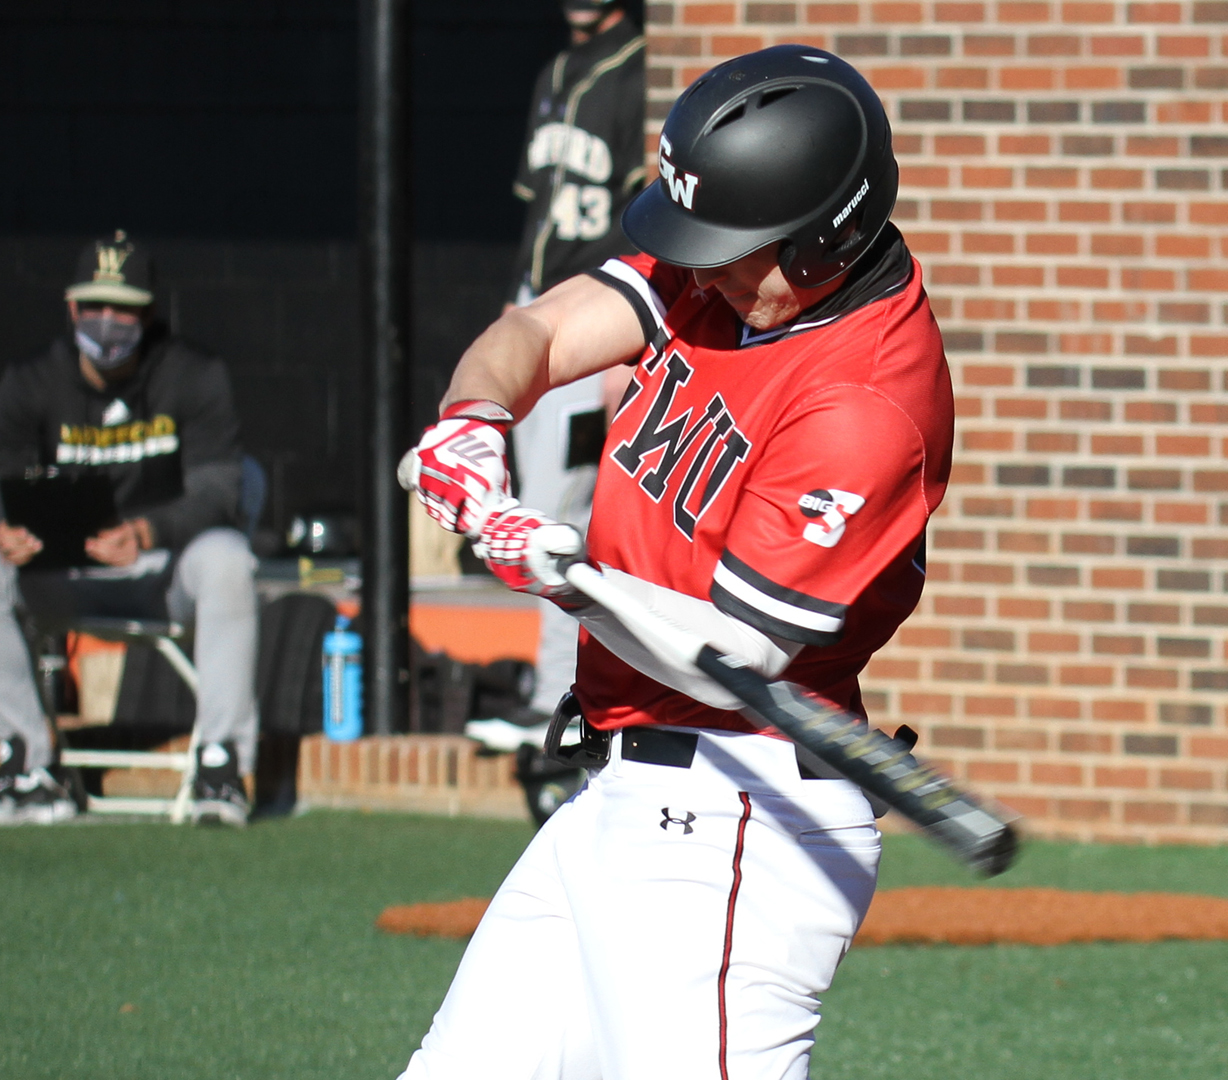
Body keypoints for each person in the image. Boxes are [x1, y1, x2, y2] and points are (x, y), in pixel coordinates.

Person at [399, 46, 948, 1080]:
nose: (700, 269)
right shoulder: (730, 274)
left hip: (739, 823)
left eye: (732, 250)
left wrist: (557, 572)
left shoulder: (866, 406)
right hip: (617, 791)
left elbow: (729, 651)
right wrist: (473, 425)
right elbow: (540, 330)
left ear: (826, 240)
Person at [0, 231, 259, 827]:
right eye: (95, 306)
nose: (109, 323)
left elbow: (222, 490)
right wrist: (1, 526)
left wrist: (146, 531)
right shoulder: (30, 381)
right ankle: (27, 765)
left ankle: (221, 767)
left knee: (228, 559)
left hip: (160, 570)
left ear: (148, 312)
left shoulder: (195, 375)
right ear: (71, 309)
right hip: (58, 569)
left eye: (123, 308)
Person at [505, 0, 647, 720]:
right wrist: (516, 307)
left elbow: (638, 217)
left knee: (565, 514)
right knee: (537, 504)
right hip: (542, 307)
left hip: (596, 314)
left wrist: (623, 350)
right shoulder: (557, 71)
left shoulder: (639, 67)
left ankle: (557, 691)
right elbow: (536, 212)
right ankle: (555, 686)